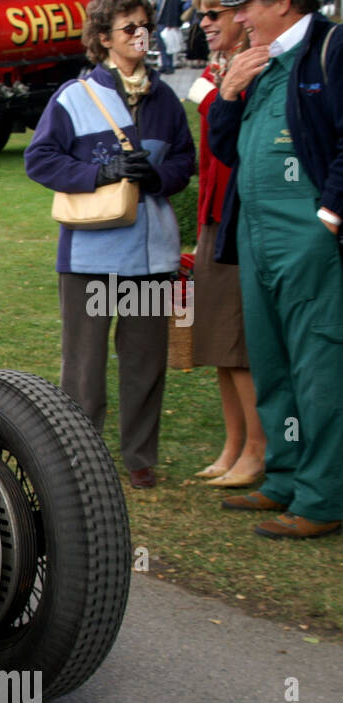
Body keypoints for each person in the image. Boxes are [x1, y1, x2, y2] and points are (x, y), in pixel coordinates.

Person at [24, 0, 195, 490]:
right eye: (129, 28)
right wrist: (99, 173)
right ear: (104, 38)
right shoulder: (74, 96)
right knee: (84, 368)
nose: (140, 35)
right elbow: (40, 160)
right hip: (90, 259)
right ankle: (82, 460)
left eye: (146, 27)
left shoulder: (165, 99)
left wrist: (159, 175)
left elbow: (186, 161)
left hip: (152, 259)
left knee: (145, 362)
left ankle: (140, 458)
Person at [207, 0, 343, 538]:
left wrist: (328, 217)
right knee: (272, 362)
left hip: (306, 236)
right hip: (255, 236)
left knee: (318, 368)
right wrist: (229, 94)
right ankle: (284, 476)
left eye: (246, 6)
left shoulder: (330, 51)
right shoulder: (256, 59)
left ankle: (323, 496)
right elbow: (224, 148)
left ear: (283, 4)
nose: (237, 18)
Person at [185, 0, 266, 488]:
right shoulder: (221, 69)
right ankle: (233, 445)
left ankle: (258, 449)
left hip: (240, 219)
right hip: (214, 219)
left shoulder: (255, 67)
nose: (207, 22)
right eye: (203, 14)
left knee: (238, 346)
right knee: (219, 343)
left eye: (218, 12)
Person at [157, 0, 183, 72]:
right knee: (161, 46)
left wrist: (171, 24)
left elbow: (173, 10)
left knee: (168, 45)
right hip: (160, 22)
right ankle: (164, 64)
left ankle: (169, 65)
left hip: (166, 23)